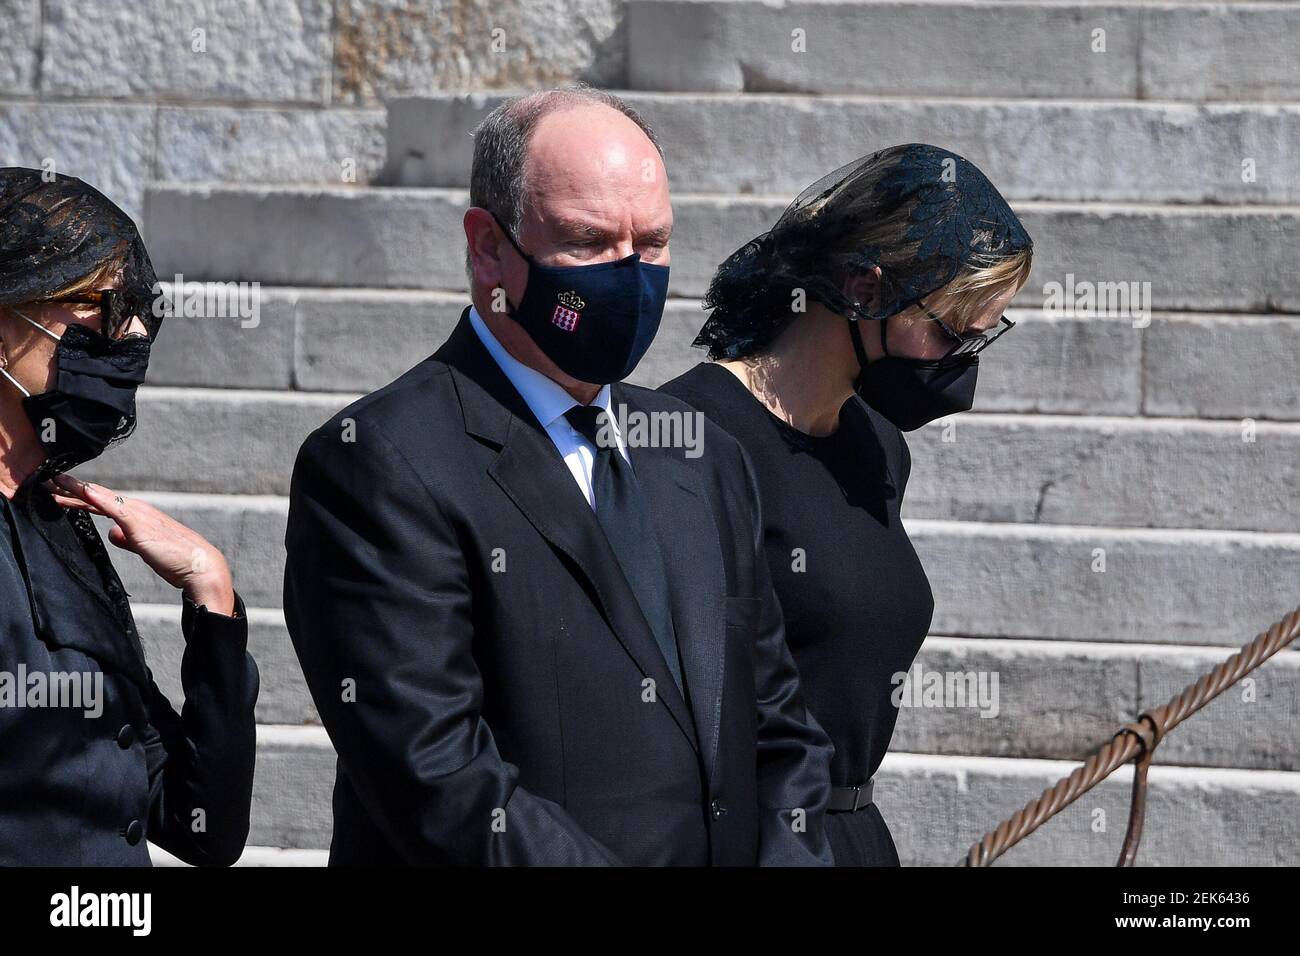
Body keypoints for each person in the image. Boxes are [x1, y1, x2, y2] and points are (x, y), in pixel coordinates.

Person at [283, 86, 834, 866]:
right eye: (587, 240)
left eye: (651, 243)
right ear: (488, 249)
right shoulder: (377, 462)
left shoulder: (702, 455)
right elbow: (438, 780)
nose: (628, 274)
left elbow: (778, 725)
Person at [661, 144, 1034, 866]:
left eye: (984, 336)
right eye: (952, 331)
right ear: (864, 289)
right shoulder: (690, 439)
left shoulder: (878, 445)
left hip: (855, 836)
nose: (960, 364)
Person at [0, 169, 259, 865]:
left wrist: (212, 589)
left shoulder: (57, 522)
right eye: (97, 303)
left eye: (137, 307)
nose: (131, 331)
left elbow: (200, 821)